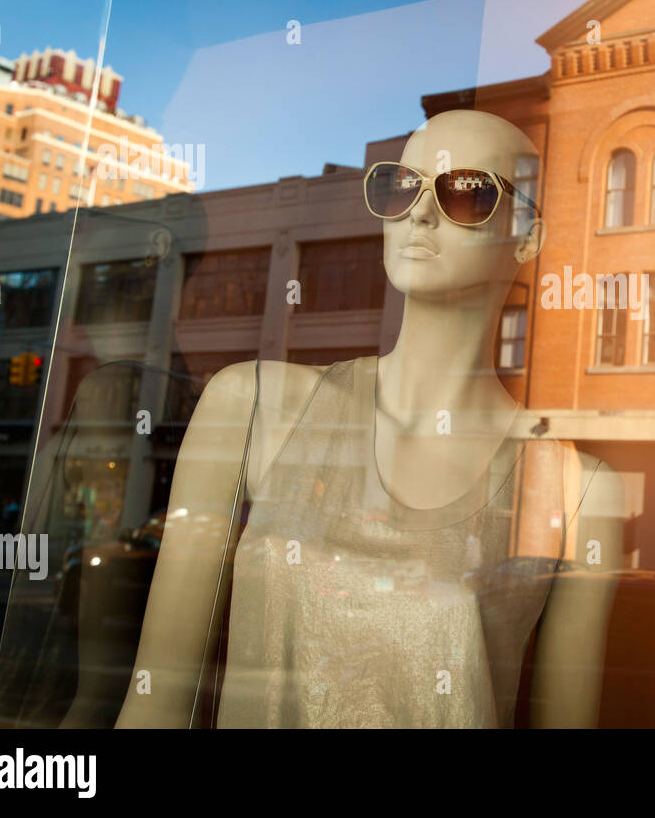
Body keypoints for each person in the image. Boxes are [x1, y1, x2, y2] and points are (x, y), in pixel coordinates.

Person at [117, 110, 623, 728]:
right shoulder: (252, 407)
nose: (421, 212)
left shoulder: (577, 491)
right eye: (404, 185)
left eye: (465, 193)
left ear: (527, 237)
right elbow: (155, 707)